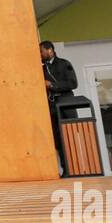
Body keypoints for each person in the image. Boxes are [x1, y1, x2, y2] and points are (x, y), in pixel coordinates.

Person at [40, 41, 76, 173]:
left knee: (69, 137)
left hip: (66, 105)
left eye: (42, 51)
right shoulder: (42, 68)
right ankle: (66, 170)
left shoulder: (64, 64)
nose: (40, 54)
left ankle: (74, 169)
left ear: (50, 50)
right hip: (52, 106)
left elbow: (73, 83)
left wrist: (52, 86)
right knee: (58, 140)